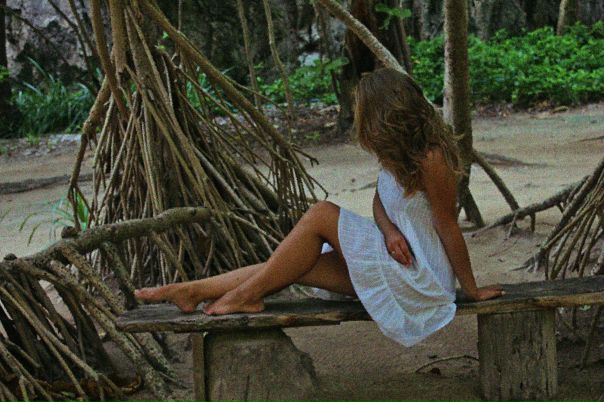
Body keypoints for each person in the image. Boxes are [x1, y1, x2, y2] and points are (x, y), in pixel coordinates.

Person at [135, 67, 503, 346]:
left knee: (321, 214)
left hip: (421, 278)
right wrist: (390, 231)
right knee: (289, 265)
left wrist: (470, 290)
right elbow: (380, 200)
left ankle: (244, 295)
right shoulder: (397, 154)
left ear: (387, 115)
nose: (360, 120)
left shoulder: (432, 159)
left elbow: (448, 226)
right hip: (394, 259)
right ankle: (195, 291)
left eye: (364, 113)